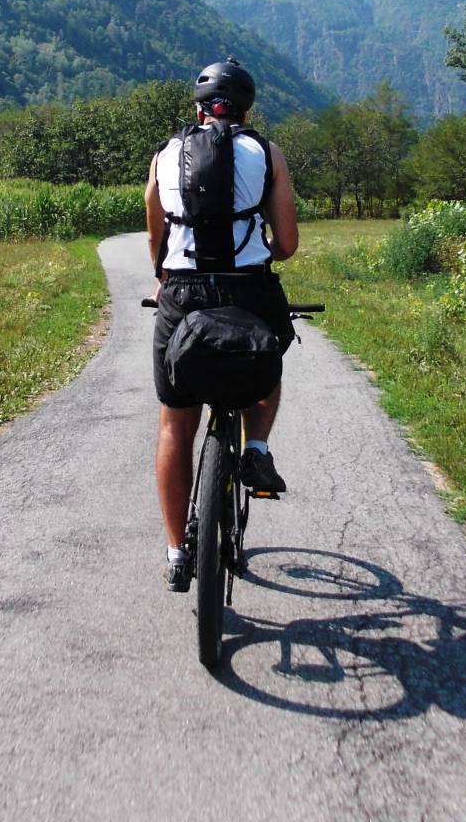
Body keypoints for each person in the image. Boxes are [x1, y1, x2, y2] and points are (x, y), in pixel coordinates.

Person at [145, 58, 299, 591]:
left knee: (174, 424)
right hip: (249, 289)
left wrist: (164, 279)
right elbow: (288, 244)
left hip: (183, 296)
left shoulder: (165, 155)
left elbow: (156, 239)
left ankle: (174, 551)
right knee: (270, 354)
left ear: (197, 106)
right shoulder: (267, 153)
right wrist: (264, 253)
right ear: (245, 107)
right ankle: (255, 450)